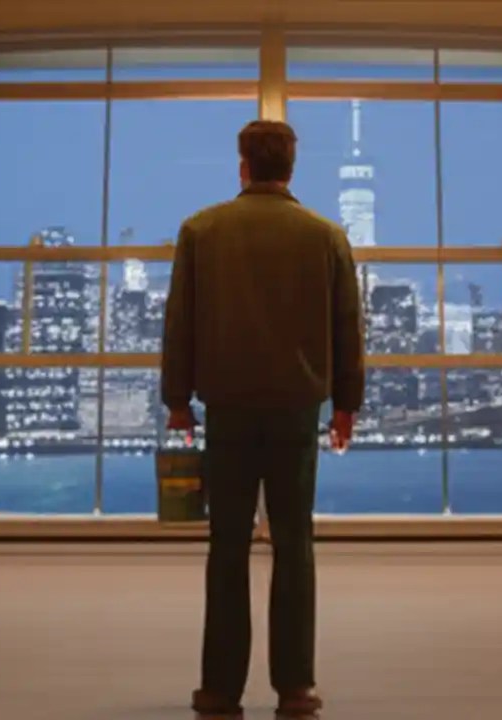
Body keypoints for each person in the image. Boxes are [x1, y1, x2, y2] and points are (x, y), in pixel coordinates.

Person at [161, 119, 364, 719]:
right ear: (291, 168)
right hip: (296, 412)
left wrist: (178, 401)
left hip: (226, 409)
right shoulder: (325, 236)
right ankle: (295, 687)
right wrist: (346, 405)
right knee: (294, 544)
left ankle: (219, 689)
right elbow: (347, 329)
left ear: (242, 164)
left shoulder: (201, 230)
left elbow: (181, 322)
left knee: (226, 546)